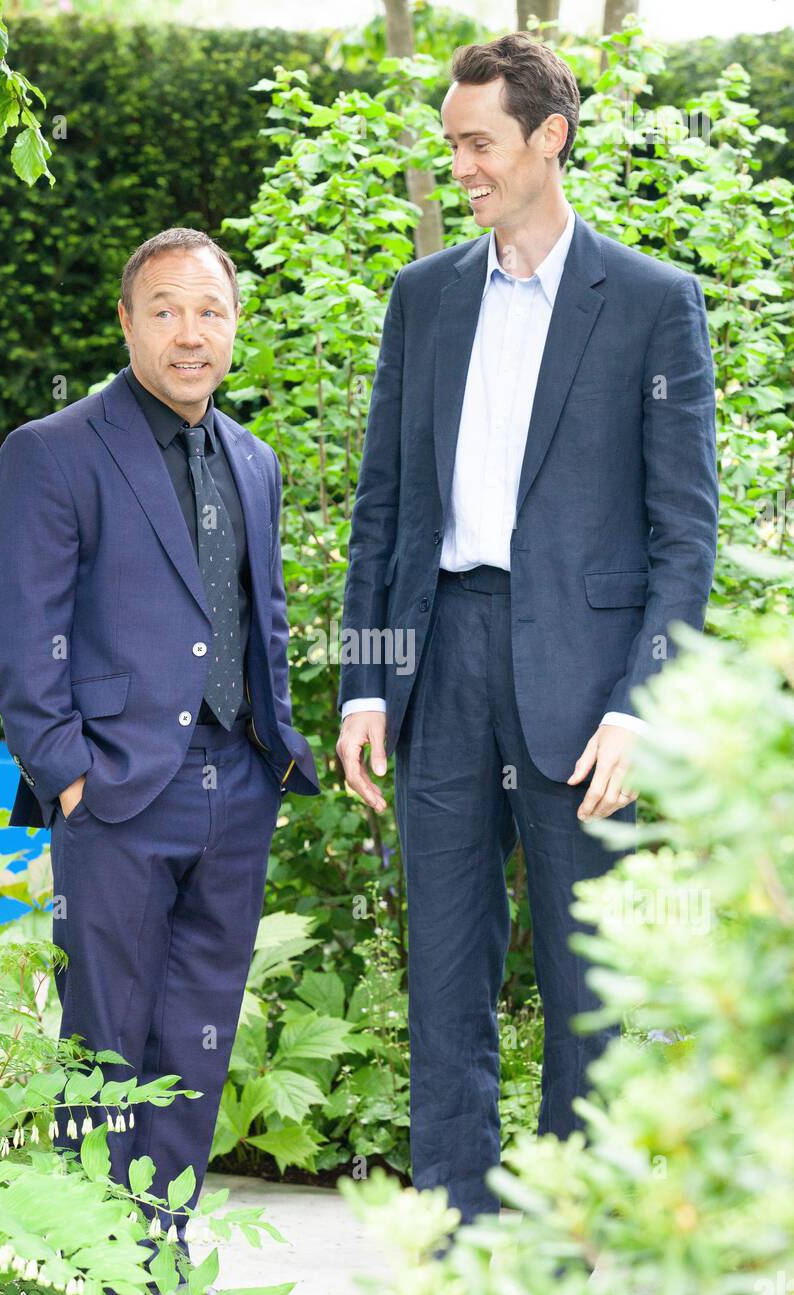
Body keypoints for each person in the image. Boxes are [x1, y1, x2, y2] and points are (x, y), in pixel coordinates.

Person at [337, 34, 718, 1223]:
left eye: (476, 141)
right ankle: (460, 1226)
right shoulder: (424, 297)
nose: (458, 164)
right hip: (441, 653)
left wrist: (639, 706)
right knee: (444, 963)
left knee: (581, 975)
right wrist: (364, 683)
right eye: (450, 142)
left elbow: (683, 538)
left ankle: (564, 1230)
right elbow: (384, 507)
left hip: (588, 678)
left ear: (546, 139)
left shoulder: (653, 304)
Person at [0, 227, 319, 1285]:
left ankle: (157, 1252)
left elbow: (258, 621)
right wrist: (64, 770)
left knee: (196, 1039)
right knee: (105, 1045)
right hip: (116, 793)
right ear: (125, 323)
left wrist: (274, 753)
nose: (189, 332)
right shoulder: (56, 448)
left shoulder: (253, 461)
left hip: (235, 788)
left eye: (209, 311)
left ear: (232, 325)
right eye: (164, 309)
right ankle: (94, 1262)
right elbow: (18, 626)